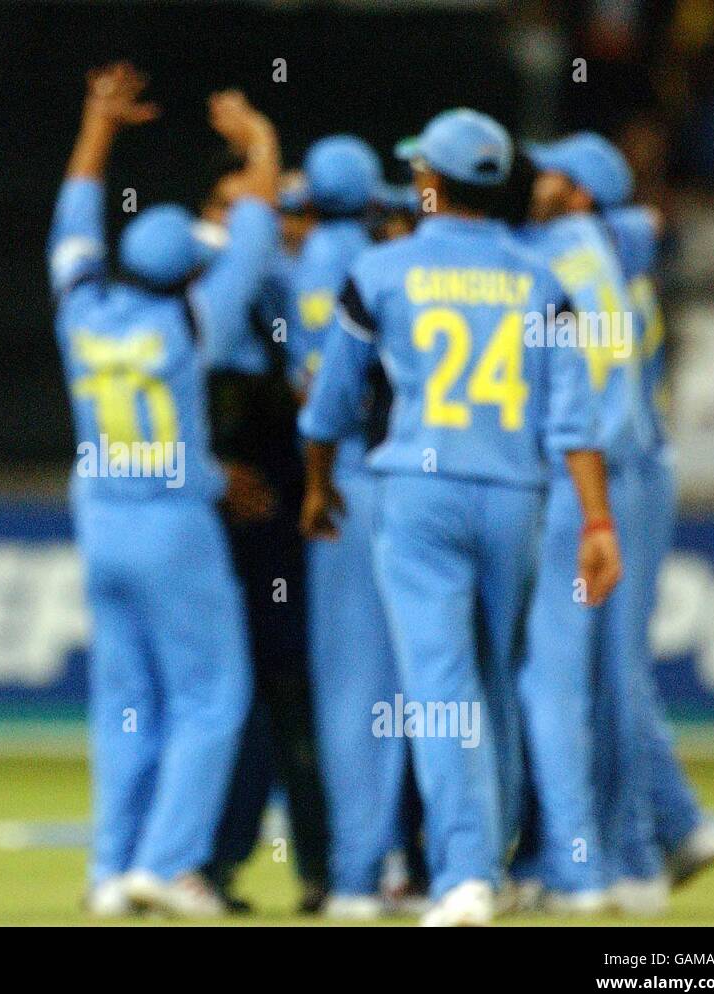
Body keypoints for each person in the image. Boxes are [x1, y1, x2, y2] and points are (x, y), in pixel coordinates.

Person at [299, 109, 621, 926]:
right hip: (517, 495)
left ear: (430, 183)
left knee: (440, 687)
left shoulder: (382, 270)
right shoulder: (541, 279)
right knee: (494, 681)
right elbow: (573, 418)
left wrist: (317, 484)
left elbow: (330, 406)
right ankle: (496, 862)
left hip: (418, 491)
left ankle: (466, 873)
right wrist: (597, 522)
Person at [48, 63, 280, 918]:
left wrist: (99, 122)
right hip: (175, 523)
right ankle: (171, 863)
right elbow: (254, 233)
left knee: (127, 702)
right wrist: (258, 143)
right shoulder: (191, 321)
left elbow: (74, 215)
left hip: (101, 522)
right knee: (212, 694)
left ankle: (112, 869)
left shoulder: (80, 305)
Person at [514, 132, 665, 914]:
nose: (530, 178)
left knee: (552, 682)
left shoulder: (536, 254)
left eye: (549, 172)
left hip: (572, 476)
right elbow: (648, 224)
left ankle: (575, 863)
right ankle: (623, 851)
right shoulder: (606, 242)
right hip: (622, 471)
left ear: (576, 193)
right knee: (607, 679)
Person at [285, 136, 417, 919]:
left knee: (349, 690)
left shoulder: (300, 266)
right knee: (403, 687)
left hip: (333, 482)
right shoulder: (373, 266)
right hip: (373, 475)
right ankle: (381, 866)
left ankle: (355, 869)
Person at [199, 156, 331, 916]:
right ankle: (212, 863)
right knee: (240, 698)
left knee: (293, 694)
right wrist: (213, 472)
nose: (238, 220)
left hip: (286, 526)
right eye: (227, 203)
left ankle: (325, 867)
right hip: (221, 530)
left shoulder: (291, 294)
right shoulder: (201, 292)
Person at [599, 149, 714, 889]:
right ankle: (663, 828)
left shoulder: (600, 287)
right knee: (616, 663)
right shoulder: (633, 282)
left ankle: (658, 831)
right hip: (645, 471)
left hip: (618, 476)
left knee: (610, 665)